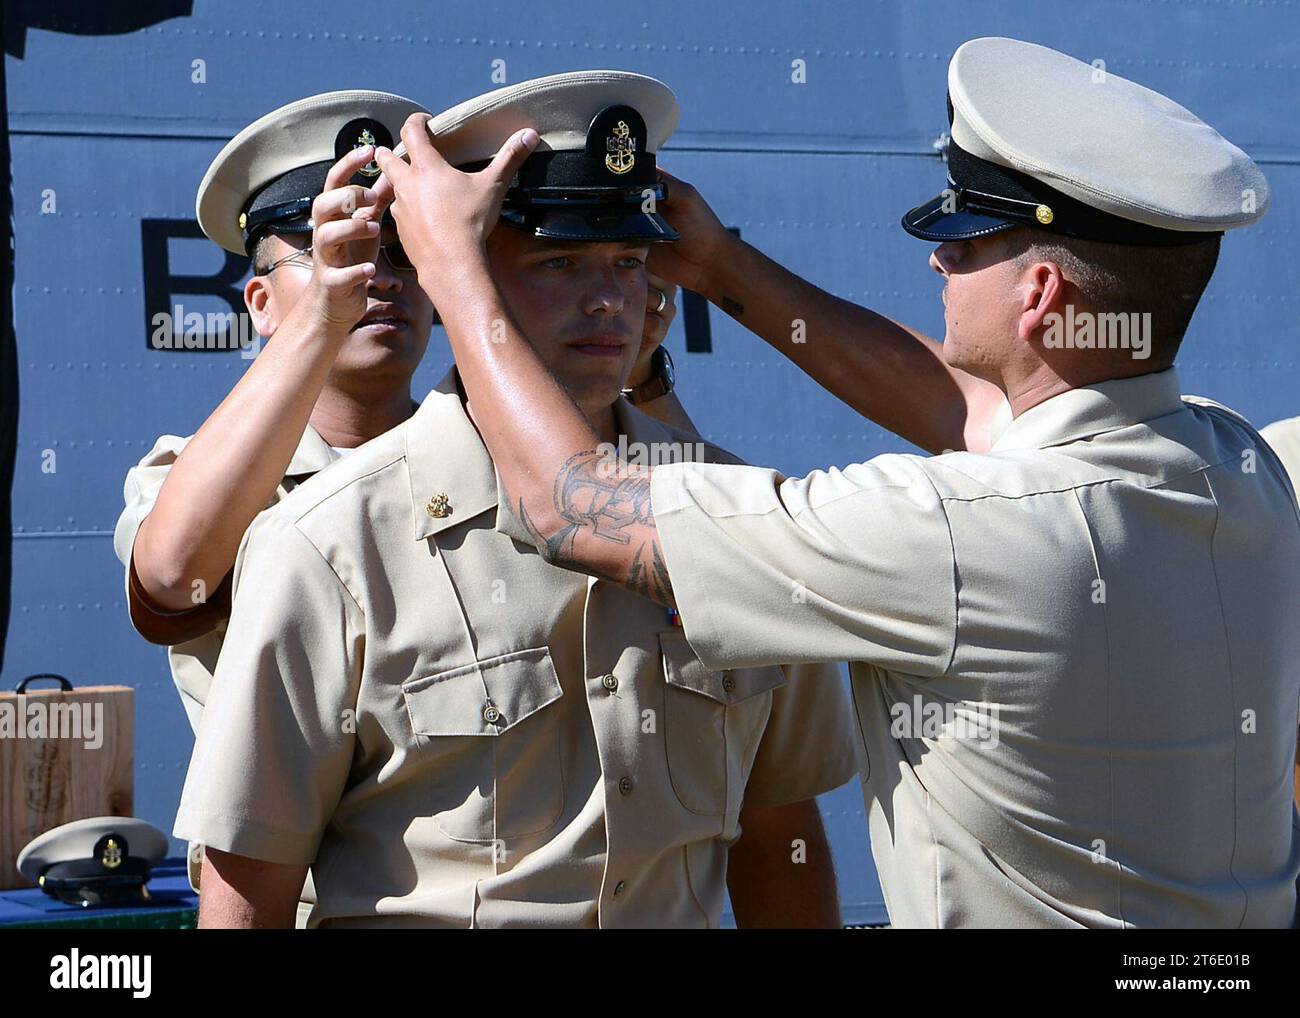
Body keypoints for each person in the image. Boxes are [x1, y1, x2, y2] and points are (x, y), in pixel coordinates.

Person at [378, 40, 1300, 927]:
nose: (940, 258)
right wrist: (726, 269)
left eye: (969, 241)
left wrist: (456, 273)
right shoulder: (1241, 468)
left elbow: (572, 503)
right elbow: (961, 409)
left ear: (1042, 295)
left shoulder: (951, 533)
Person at [172, 71, 858, 929]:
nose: (608, 298)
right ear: (459, 271)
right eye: (560, 262)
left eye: (628, 261)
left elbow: (780, 837)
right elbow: (249, 892)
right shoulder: (327, 541)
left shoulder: (737, 520)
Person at [113, 90, 435, 919]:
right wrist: (323, 317)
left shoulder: (486, 460)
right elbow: (174, 573)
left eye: (402, 255)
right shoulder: (189, 477)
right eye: (337, 252)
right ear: (259, 304)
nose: (376, 277)